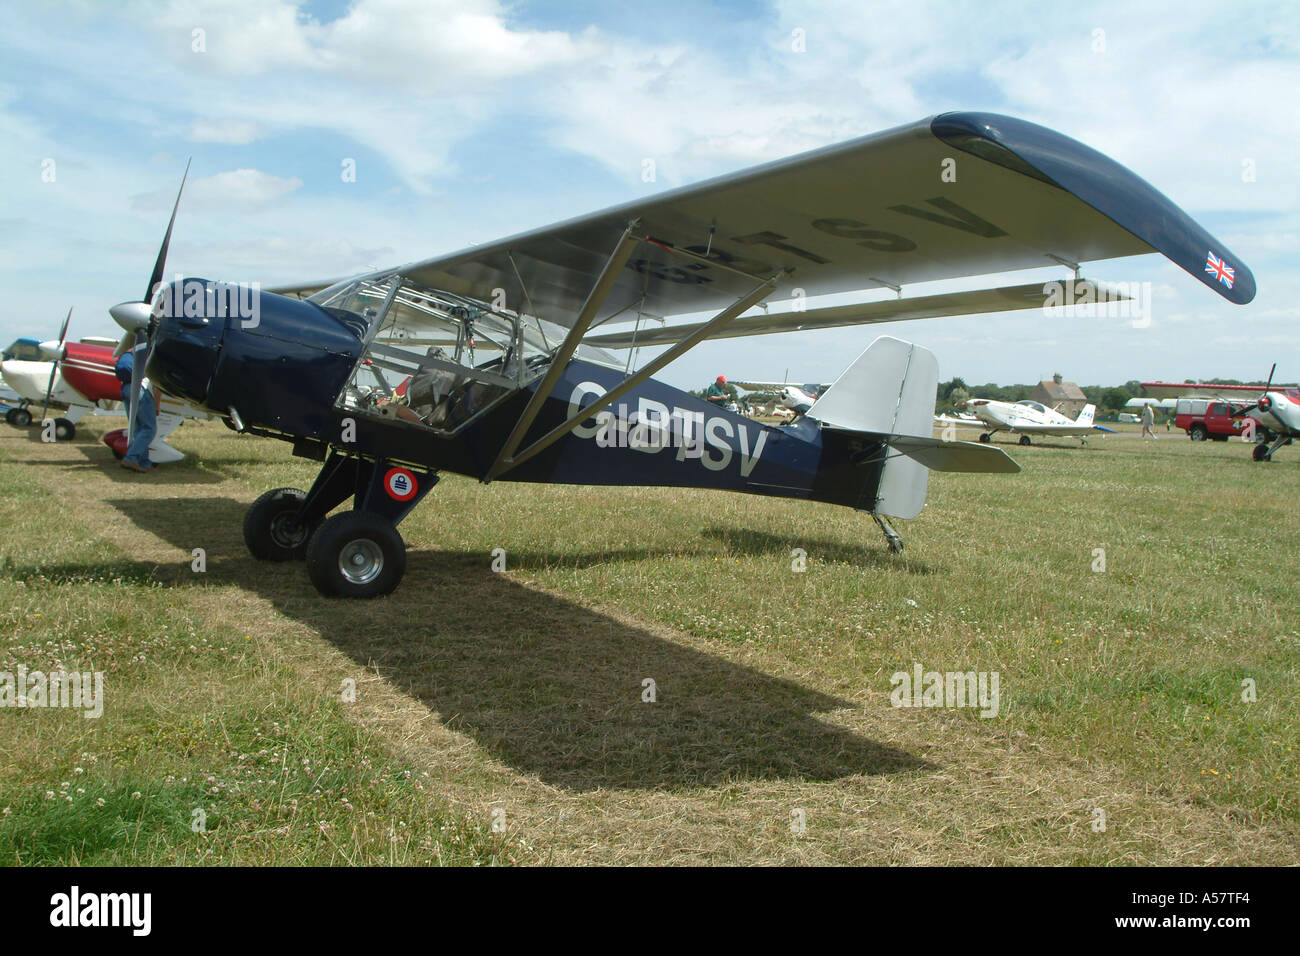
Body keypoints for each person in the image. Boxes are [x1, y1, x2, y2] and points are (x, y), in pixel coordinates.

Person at [114, 345, 156, 472]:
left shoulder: (133, 353)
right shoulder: (151, 355)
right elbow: (156, 384)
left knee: (138, 428)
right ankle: (131, 458)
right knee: (149, 429)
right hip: (141, 389)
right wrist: (157, 405)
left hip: (126, 389)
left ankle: (144, 463)